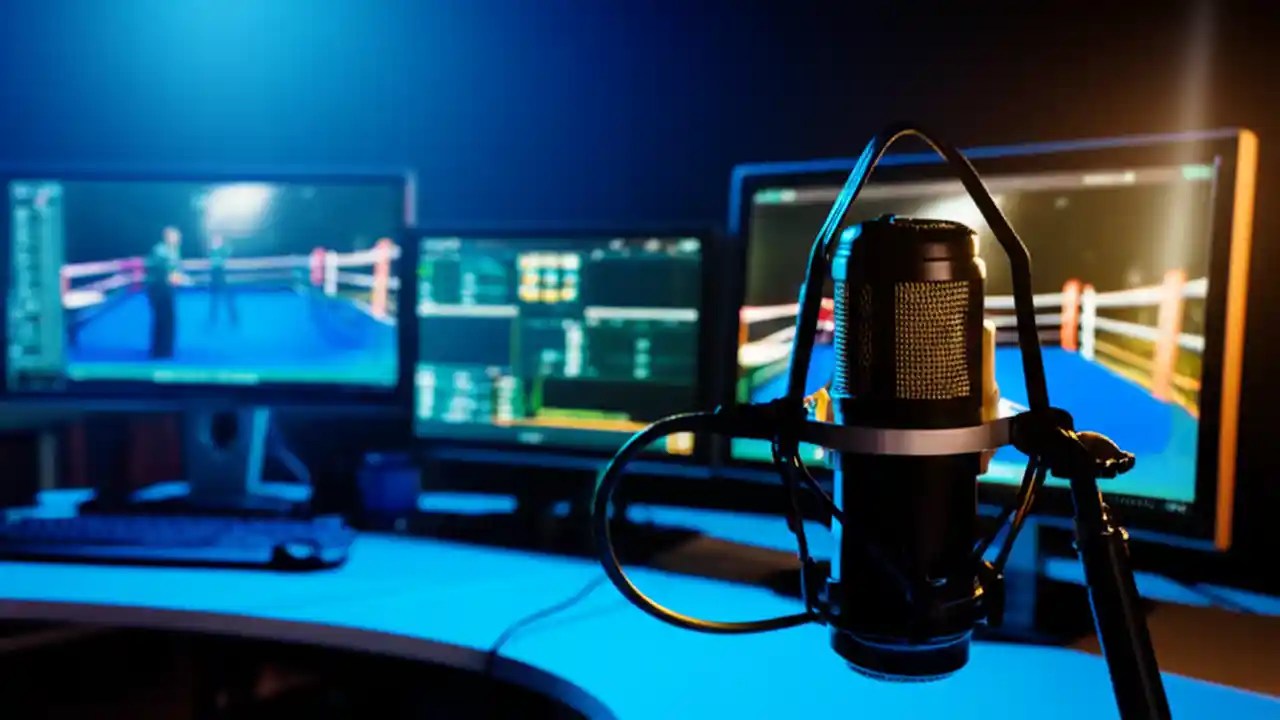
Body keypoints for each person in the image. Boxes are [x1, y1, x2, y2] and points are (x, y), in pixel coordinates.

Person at [145, 226, 182, 359]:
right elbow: (163, 269)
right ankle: (158, 351)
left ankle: (165, 349)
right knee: (161, 319)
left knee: (169, 319)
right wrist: (172, 275)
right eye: (176, 236)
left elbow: (174, 271)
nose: (178, 239)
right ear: (168, 237)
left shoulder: (173, 250)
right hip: (157, 290)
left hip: (166, 290)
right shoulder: (160, 250)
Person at [207, 234, 238, 326]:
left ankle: (233, 318)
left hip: (220, 277)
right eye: (215, 240)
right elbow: (214, 261)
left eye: (218, 240)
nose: (216, 242)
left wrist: (223, 245)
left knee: (227, 298)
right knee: (215, 300)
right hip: (215, 277)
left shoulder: (222, 250)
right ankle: (213, 318)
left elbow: (229, 250)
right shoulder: (213, 251)